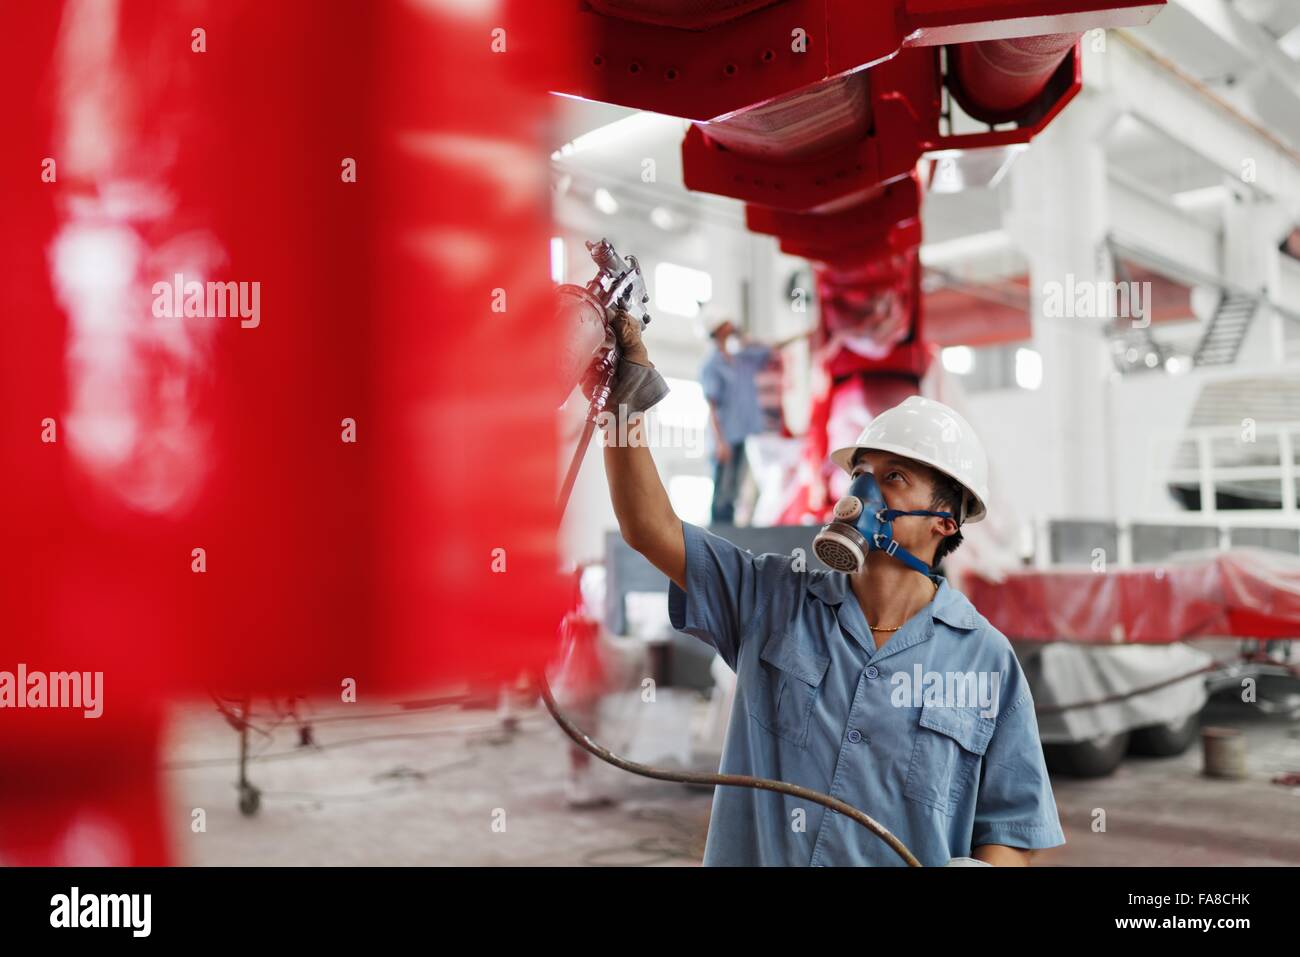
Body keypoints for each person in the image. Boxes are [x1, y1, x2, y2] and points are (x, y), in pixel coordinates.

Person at [602, 309, 1065, 866]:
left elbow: (1012, 826)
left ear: (945, 519)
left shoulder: (986, 661)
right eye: (860, 474)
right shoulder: (769, 598)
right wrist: (623, 404)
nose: (864, 493)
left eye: (893, 478)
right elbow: (649, 530)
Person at [699, 314, 806, 525]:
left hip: (742, 432)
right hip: (725, 435)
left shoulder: (741, 359)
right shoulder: (712, 365)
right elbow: (712, 405)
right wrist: (720, 442)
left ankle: (729, 530)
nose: (733, 324)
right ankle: (720, 531)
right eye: (727, 323)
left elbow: (770, 347)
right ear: (718, 329)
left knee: (737, 487)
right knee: (723, 490)